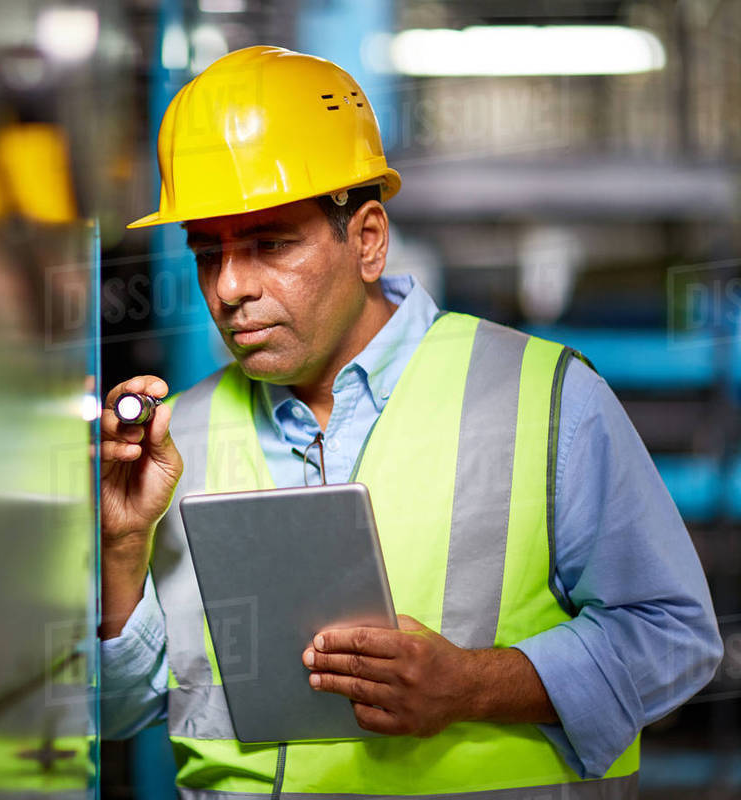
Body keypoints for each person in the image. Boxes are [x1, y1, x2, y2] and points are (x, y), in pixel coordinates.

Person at [99, 45, 722, 799]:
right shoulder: (175, 443)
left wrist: (477, 685)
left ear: (366, 239)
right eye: (209, 253)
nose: (229, 287)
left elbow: (673, 637)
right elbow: (118, 714)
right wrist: (124, 547)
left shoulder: (545, 399)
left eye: (269, 244)